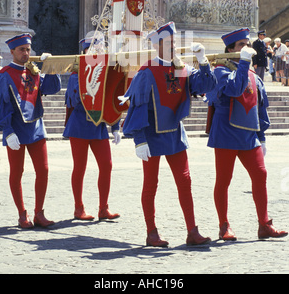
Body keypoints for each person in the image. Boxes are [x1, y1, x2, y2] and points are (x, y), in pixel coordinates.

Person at [122, 22, 217, 247]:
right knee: (151, 184)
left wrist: (203, 62)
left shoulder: (182, 67)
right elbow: (138, 106)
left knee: (185, 181)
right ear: (157, 45)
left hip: (174, 132)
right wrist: (140, 140)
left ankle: (192, 231)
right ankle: (151, 232)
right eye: (168, 42)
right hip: (151, 134)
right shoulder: (146, 72)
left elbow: (206, 85)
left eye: (174, 42)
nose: (173, 46)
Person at [206, 28, 288, 241]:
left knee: (260, 175)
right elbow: (234, 89)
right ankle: (224, 226)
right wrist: (243, 63)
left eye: (247, 44)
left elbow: (259, 107)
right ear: (230, 49)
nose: (246, 48)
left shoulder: (252, 74)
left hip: (249, 135)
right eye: (241, 45)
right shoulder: (219, 71)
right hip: (226, 132)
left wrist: (262, 137)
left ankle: (264, 224)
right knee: (224, 180)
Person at [0, 33, 61, 228]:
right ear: (12, 52)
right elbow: (0, 105)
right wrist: (7, 131)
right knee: (17, 172)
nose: (26, 53)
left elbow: (51, 89)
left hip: (36, 127)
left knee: (43, 170)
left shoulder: (34, 71)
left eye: (28, 49)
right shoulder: (4, 75)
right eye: (21, 50)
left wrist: (51, 69)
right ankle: (22, 214)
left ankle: (39, 212)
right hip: (15, 129)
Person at [63, 36, 121, 221]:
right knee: (79, 167)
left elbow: (112, 100)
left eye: (101, 49)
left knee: (107, 165)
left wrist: (115, 127)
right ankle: (78, 208)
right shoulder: (75, 74)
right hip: (80, 124)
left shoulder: (107, 73)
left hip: (98, 126)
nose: (99, 52)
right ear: (85, 51)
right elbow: (76, 101)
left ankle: (103, 208)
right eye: (95, 49)